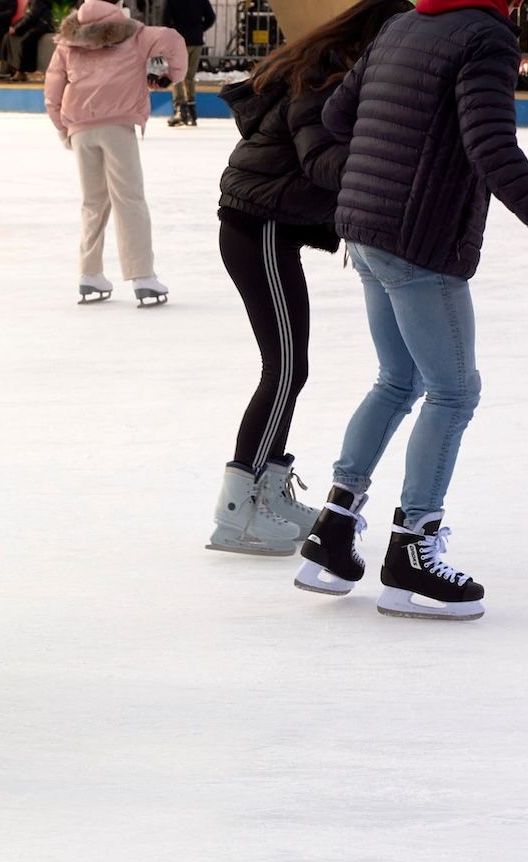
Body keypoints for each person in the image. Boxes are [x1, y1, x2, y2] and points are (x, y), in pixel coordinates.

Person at [295, 0, 528, 619]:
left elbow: (338, 113)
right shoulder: (486, 36)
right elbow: (489, 143)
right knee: (452, 392)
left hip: (367, 230)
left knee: (397, 381)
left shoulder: (403, 25)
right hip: (419, 240)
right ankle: (412, 554)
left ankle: (332, 533)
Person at [206, 0, 407, 556]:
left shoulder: (327, 66)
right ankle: (238, 509)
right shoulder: (325, 79)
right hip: (261, 227)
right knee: (286, 367)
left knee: (291, 366)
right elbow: (322, 163)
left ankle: (267, 485)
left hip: (268, 226)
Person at [44, 0, 184, 305]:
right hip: (117, 126)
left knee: (93, 202)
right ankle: (142, 276)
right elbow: (174, 40)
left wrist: (61, 126)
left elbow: (53, 86)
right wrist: (170, 77)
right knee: (129, 199)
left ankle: (89, 274)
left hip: (79, 127)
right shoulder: (135, 34)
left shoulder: (69, 40)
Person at [161, 0, 216, 124]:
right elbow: (211, 17)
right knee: (190, 76)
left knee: (177, 75)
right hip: (196, 40)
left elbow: (165, 21)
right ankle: (192, 109)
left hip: (178, 40)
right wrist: (200, 29)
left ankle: (181, 109)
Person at [5, 0, 55, 80]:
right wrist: (14, 26)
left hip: (42, 25)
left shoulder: (37, 1)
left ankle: (21, 71)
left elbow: (31, 16)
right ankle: (13, 66)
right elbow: (26, 16)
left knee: (25, 41)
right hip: (33, 24)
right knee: (9, 37)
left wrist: (16, 28)